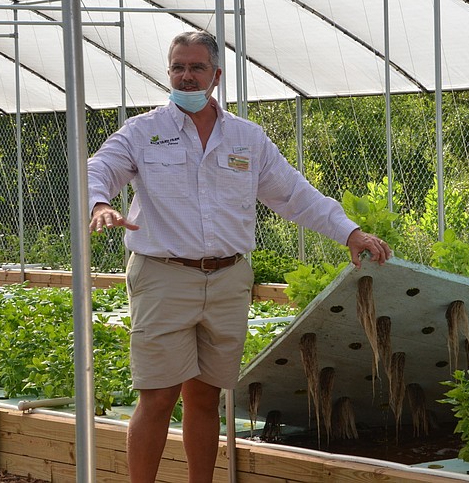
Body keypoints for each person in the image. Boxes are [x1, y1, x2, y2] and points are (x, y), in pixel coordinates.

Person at [87, 30, 391, 483]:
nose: (186, 77)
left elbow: (294, 195)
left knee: (206, 396)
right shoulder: (144, 132)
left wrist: (349, 232)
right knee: (158, 395)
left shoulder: (247, 138)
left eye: (196, 68)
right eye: (177, 67)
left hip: (229, 279)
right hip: (164, 277)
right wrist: (100, 204)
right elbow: (100, 168)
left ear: (216, 75)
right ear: (169, 72)